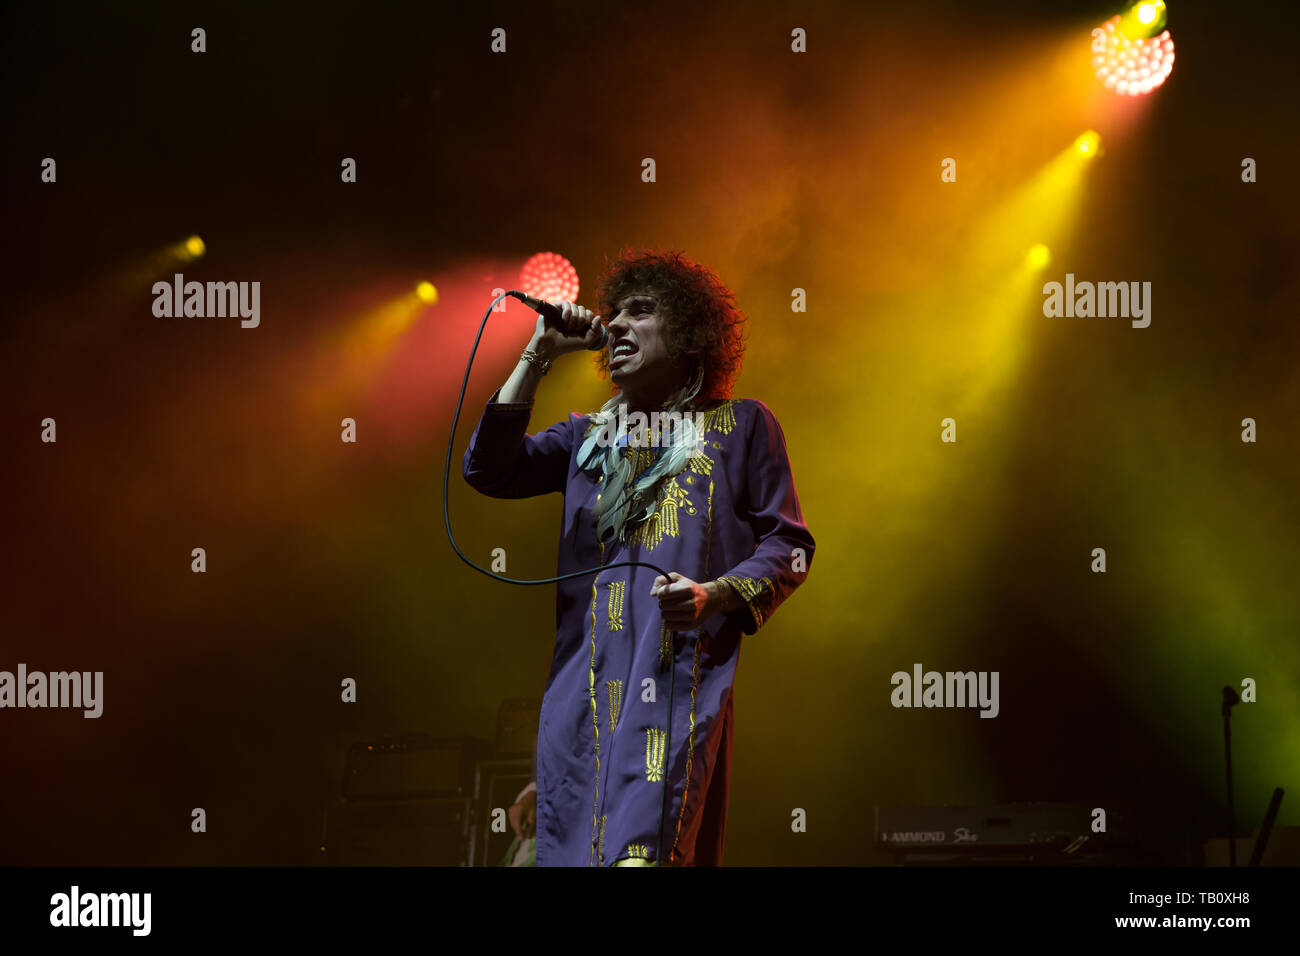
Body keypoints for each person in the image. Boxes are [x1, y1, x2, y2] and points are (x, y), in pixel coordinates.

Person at [462, 248, 815, 866]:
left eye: (641, 311)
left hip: (674, 690)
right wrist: (538, 353)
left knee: (640, 855)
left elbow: (791, 547)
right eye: (613, 313)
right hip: (579, 707)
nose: (617, 324)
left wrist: (716, 594)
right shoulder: (583, 439)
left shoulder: (742, 427)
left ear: (688, 334)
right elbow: (488, 469)